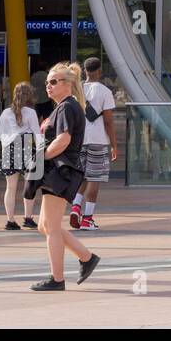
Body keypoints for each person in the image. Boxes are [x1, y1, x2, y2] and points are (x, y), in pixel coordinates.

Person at [25, 62, 100, 291]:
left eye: (54, 81)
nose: (48, 85)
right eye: (48, 81)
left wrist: (43, 156)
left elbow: (64, 140)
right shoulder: (63, 107)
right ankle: (86, 258)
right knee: (44, 226)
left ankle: (57, 279)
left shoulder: (67, 107)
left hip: (61, 170)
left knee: (52, 227)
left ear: (68, 84)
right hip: (59, 170)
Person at [68, 57, 117, 230]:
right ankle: (87, 219)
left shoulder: (76, 90)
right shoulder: (104, 91)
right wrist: (114, 145)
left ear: (85, 70)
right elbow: (109, 121)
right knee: (94, 178)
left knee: (83, 175)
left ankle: (75, 206)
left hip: (79, 139)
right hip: (98, 139)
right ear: (99, 71)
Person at [0, 81, 40, 231]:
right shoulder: (31, 112)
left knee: (10, 187)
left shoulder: (5, 113)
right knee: (30, 185)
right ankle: (28, 218)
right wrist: (41, 150)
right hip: (26, 145)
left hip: (9, 147)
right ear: (29, 95)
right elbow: (37, 133)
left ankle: (10, 220)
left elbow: (3, 135)